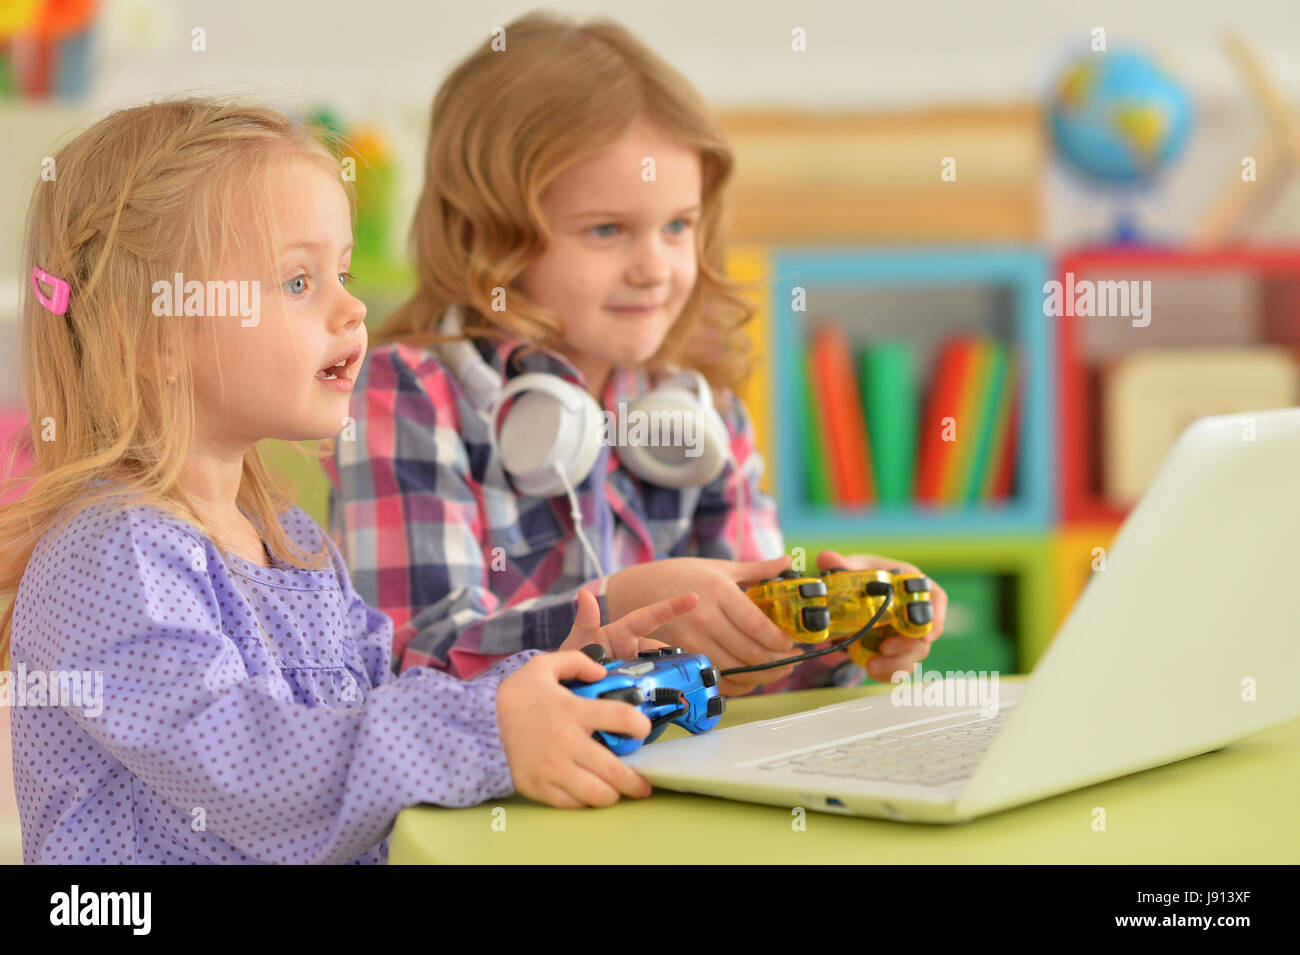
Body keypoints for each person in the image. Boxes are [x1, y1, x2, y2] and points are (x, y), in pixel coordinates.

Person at [0, 98, 698, 865]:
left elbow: (374, 711)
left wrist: (546, 680)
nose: (353, 307)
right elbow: (256, 770)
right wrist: (490, 729)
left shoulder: (291, 543)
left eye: (341, 272)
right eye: (298, 282)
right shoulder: (111, 558)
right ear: (152, 333)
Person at [328, 11, 948, 697]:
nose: (656, 268)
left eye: (678, 225)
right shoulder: (404, 394)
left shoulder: (701, 411)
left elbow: (753, 667)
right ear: (486, 236)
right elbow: (410, 662)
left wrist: (841, 626)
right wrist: (615, 608)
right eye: (607, 230)